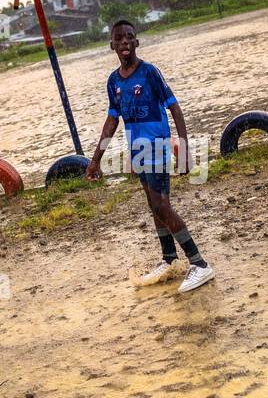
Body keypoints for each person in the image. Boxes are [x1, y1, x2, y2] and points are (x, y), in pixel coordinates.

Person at [85, 19, 214, 293]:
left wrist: (184, 149)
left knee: (162, 206)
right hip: (138, 152)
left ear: (137, 42)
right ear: (111, 45)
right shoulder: (113, 81)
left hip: (156, 147)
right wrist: (95, 159)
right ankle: (169, 259)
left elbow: (175, 109)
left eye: (129, 37)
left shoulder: (150, 73)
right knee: (154, 207)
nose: (124, 42)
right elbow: (112, 121)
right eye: (119, 38)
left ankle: (200, 264)